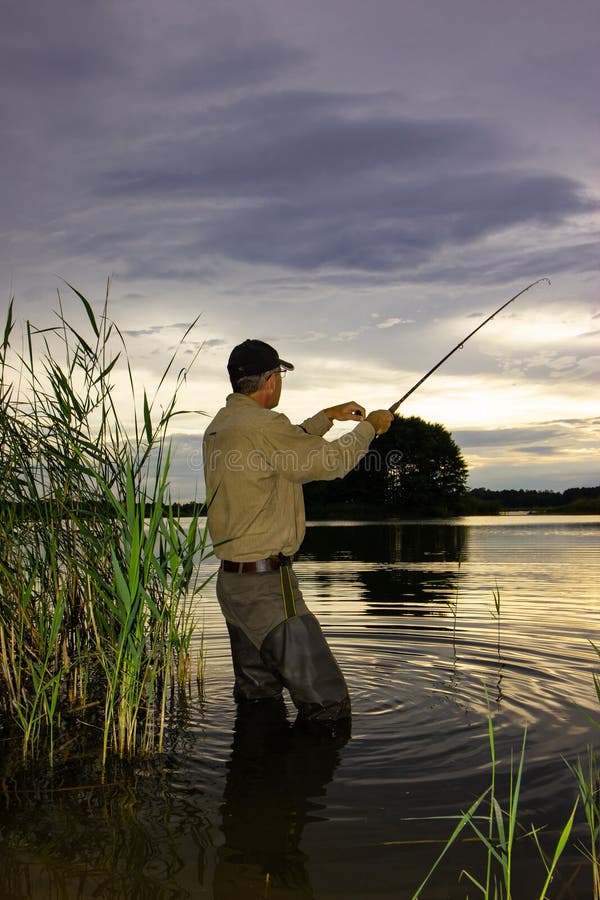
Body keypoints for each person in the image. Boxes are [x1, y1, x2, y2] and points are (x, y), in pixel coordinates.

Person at [203, 338, 392, 727]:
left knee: (259, 699)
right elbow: (330, 462)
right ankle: (303, 783)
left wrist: (326, 417)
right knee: (330, 707)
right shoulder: (264, 426)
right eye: (280, 375)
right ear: (270, 379)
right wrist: (370, 428)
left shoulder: (222, 426)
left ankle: (256, 779)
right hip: (268, 589)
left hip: (232, 587)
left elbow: (281, 448)